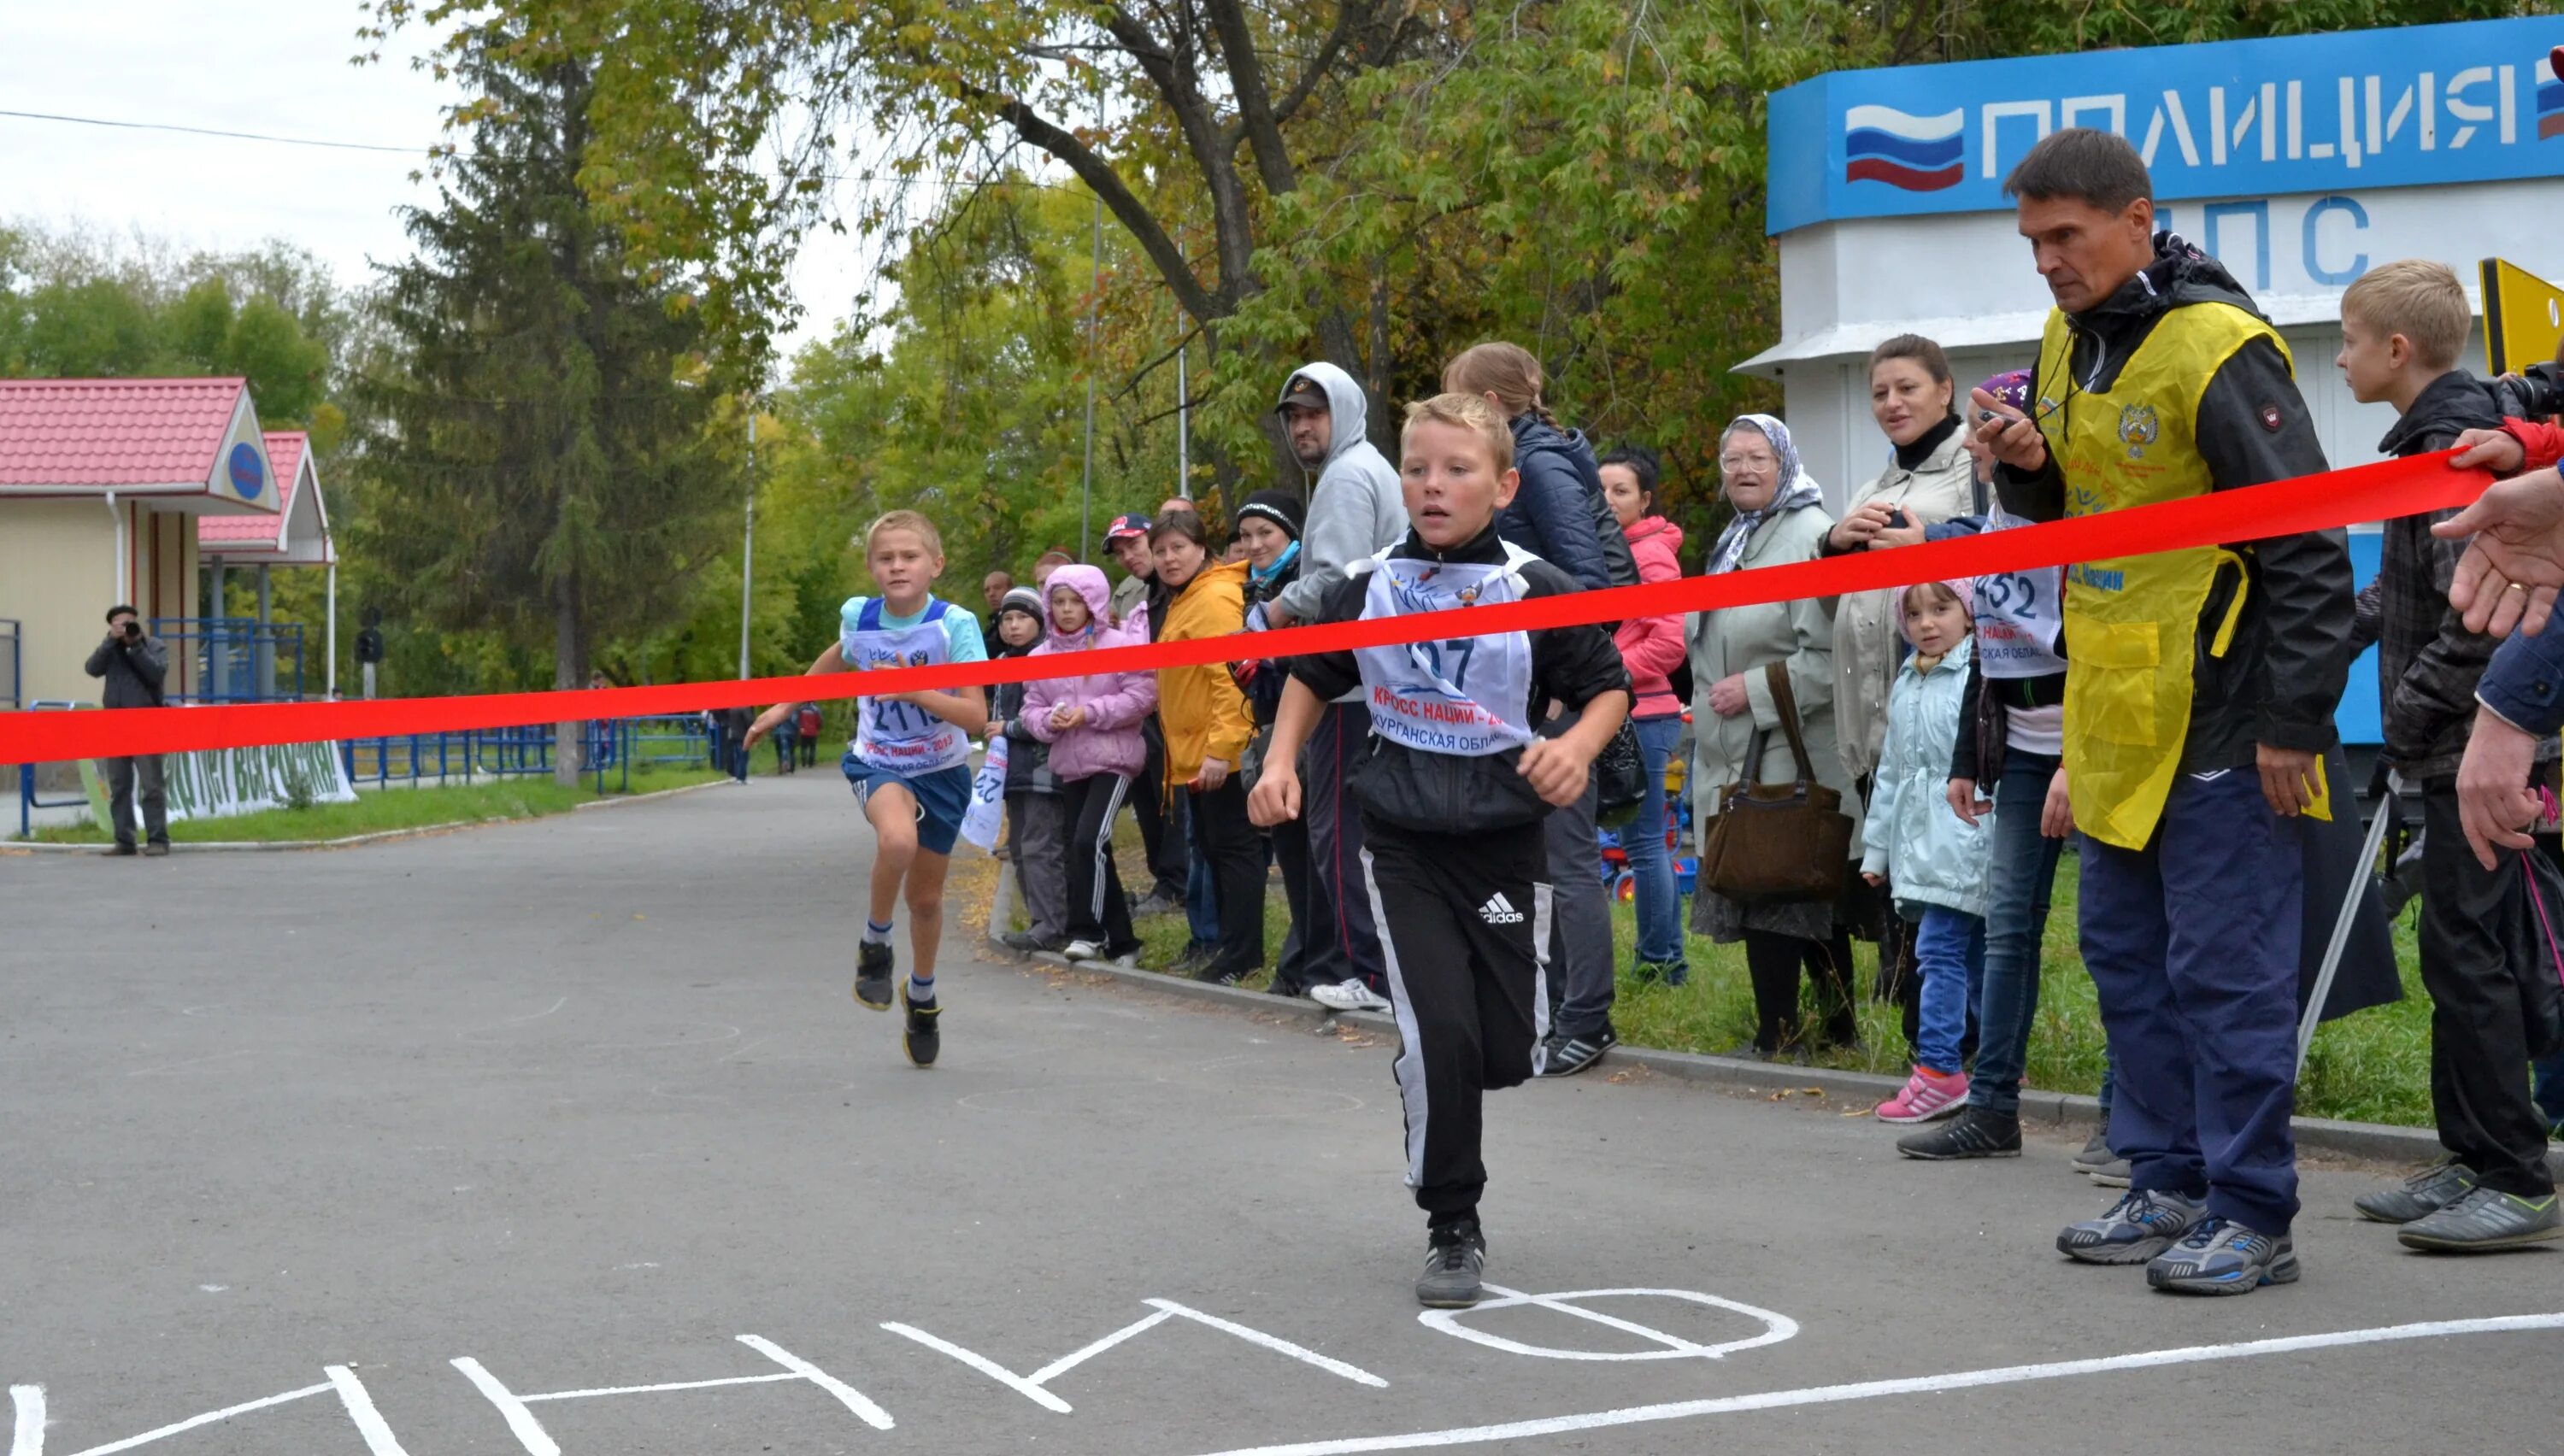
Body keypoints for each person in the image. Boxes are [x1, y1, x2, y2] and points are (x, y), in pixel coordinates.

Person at [1976, 128, 2353, 1295]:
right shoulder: (2064, 341)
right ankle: (2169, 1176)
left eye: (2065, 237)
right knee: (2127, 960)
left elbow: (2309, 542)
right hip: (2114, 706)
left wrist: (2293, 716)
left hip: (2230, 712)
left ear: (2138, 219)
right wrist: (2029, 464)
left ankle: (2252, 1209)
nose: (2045, 261)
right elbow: (2072, 516)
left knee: (2224, 969)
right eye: (2033, 241)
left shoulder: (2218, 345)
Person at [1248, 390, 1631, 1309]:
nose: (1432, 484)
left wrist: (1574, 749)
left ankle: (1459, 1075)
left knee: (1507, 1047)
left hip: (1505, 843)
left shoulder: (1537, 588)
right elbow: (1314, 670)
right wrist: (1279, 763)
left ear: (1502, 486)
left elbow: (1608, 687)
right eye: (1418, 468)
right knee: (1439, 1033)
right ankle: (1452, 1223)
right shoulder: (1372, 583)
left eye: (1456, 470)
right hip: (1404, 843)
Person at [2332, 260, 2561, 1251]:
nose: (2335, 358)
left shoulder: (2451, 448)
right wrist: (2313, 645)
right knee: (2459, 954)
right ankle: (2471, 1155)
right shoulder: (2436, 436)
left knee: (2476, 960)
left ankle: (2513, 1170)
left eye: (2344, 341)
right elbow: (2406, 595)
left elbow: (2476, 614)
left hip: (2477, 747)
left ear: (2396, 349)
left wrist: (2410, 723)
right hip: (2448, 743)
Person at [1896, 370, 2115, 1173]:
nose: (1979, 443)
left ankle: (2124, 1115)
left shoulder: (2072, 520)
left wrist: (2075, 762)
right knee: (2009, 931)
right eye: (1976, 428)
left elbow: (2102, 648)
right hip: (2017, 754)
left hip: (2091, 750)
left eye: (1997, 426)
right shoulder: (1984, 530)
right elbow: (1983, 654)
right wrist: (1967, 761)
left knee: (2108, 937)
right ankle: (1991, 1108)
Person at [1441, 341, 1625, 1077]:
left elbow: (1588, 581)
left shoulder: (1542, 464)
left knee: (1568, 862)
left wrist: (1556, 675)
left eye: (1457, 400)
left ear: (1489, 406)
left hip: (1556, 700)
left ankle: (1587, 1017)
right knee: (1529, 861)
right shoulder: (1533, 458)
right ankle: (1537, 1009)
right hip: (1510, 698)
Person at [747, 509, 989, 1068]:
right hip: (879, 761)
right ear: (871, 567)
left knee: (926, 900)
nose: (898, 566)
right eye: (886, 558)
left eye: (909, 557)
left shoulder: (955, 625)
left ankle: (922, 995)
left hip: (942, 771)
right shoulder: (862, 616)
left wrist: (918, 690)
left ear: (936, 564)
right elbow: (840, 657)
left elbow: (975, 716)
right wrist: (787, 704)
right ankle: (875, 943)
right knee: (896, 842)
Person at [1686, 415, 1861, 1057]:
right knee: (1798, 888)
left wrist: (1752, 690)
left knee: (1775, 886)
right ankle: (1840, 1030)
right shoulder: (1738, 538)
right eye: (1732, 459)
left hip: (1790, 745)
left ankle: (1777, 1035)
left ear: (1784, 461)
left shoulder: (1809, 537)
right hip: (1736, 748)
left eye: (1758, 457)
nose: (1744, 470)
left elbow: (1828, 658)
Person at [1263, 362, 1409, 1016]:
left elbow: (1339, 581)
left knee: (1338, 831)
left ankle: (1374, 975)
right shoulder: (1366, 467)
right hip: (1371, 677)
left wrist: (1272, 612)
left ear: (1344, 411)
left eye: (1313, 414)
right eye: (1293, 418)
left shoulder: (1349, 478)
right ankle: (1381, 968)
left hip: (1349, 685)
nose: (1301, 427)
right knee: (1351, 830)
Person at [1859, 579, 1991, 1124]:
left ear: (1968, 612)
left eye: (1941, 608)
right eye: (1913, 614)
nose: (1927, 623)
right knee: (1973, 958)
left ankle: (1938, 1069)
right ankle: (1996, 1057)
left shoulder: (1979, 676)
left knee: (1940, 952)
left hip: (1967, 834)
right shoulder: (1907, 681)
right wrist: (1875, 851)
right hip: (1922, 843)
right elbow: (1891, 772)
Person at [1021, 565, 1158, 966]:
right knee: (1086, 848)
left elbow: (1141, 697)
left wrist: (1089, 712)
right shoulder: (1038, 656)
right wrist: (1050, 721)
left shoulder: (1120, 644)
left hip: (1115, 760)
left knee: (1088, 840)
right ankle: (1120, 939)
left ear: (1094, 603)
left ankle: (1091, 931)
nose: (1066, 610)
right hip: (1069, 763)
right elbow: (1031, 708)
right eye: (1058, 602)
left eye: (1075, 602)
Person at [1150, 511, 1266, 985]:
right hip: (1197, 755)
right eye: (1160, 551)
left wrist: (1221, 750)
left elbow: (1231, 680)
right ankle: (1229, 948)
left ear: (1202, 548)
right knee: (1217, 851)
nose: (1168, 558)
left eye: (1178, 547)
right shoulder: (1186, 598)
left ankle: (1242, 955)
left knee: (1235, 852)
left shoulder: (1214, 598)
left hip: (1222, 755)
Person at [1599, 444, 1691, 985]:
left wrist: (1606, 671)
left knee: (1644, 843)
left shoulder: (1650, 554)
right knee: (1633, 841)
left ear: (1645, 499)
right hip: (1622, 709)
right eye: (1602, 490)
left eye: (1622, 491)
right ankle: (1661, 960)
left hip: (1646, 715)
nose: (1609, 500)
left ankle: (1662, 963)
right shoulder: (1609, 547)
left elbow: (1669, 644)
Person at [1232, 488, 1315, 997]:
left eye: (1266, 533)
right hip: (1269, 732)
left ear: (1291, 535)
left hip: (1313, 730)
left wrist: (1273, 658)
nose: (1256, 544)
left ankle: (1307, 962)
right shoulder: (1253, 589)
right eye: (1246, 536)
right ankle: (1300, 960)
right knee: (1291, 850)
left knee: (1315, 852)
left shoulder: (1303, 584)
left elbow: (1316, 663)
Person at [1103, 511, 1191, 914]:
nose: (1127, 556)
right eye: (1120, 551)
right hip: (1140, 710)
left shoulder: (1175, 588)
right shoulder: (1135, 594)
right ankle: (1165, 881)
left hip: (1173, 708)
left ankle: (1176, 884)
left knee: (1171, 801)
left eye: (1134, 545)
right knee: (1149, 799)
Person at [987, 589, 1068, 953]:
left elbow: (1047, 717)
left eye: (1022, 618)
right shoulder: (1003, 661)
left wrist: (1006, 728)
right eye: (1007, 619)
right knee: (1020, 848)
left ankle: (1052, 925)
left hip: (1042, 769)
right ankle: (1039, 919)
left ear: (1039, 620)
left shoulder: (1046, 656)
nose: (1014, 625)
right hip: (1011, 773)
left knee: (1041, 847)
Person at [85, 604, 170, 857]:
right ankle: (125, 840)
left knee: (152, 784)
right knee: (119, 784)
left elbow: (156, 674)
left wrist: (135, 647)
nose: (125, 628)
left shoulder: (153, 646)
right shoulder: (109, 649)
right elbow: (91, 668)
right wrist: (110, 643)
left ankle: (158, 840)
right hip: (115, 724)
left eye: (129, 623)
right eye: (119, 625)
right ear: (111, 627)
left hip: (145, 722)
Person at [982, 570, 1015, 637]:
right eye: (987, 590)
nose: (991, 594)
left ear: (1010, 589)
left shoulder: (1019, 622)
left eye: (997, 588)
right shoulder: (990, 626)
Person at [796, 702, 824, 768]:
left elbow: (798, 719)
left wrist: (800, 727)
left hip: (804, 731)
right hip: (813, 731)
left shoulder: (801, 709)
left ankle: (804, 762)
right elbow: (819, 721)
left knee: (803, 747)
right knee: (812, 747)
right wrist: (819, 728)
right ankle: (811, 763)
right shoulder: (816, 709)